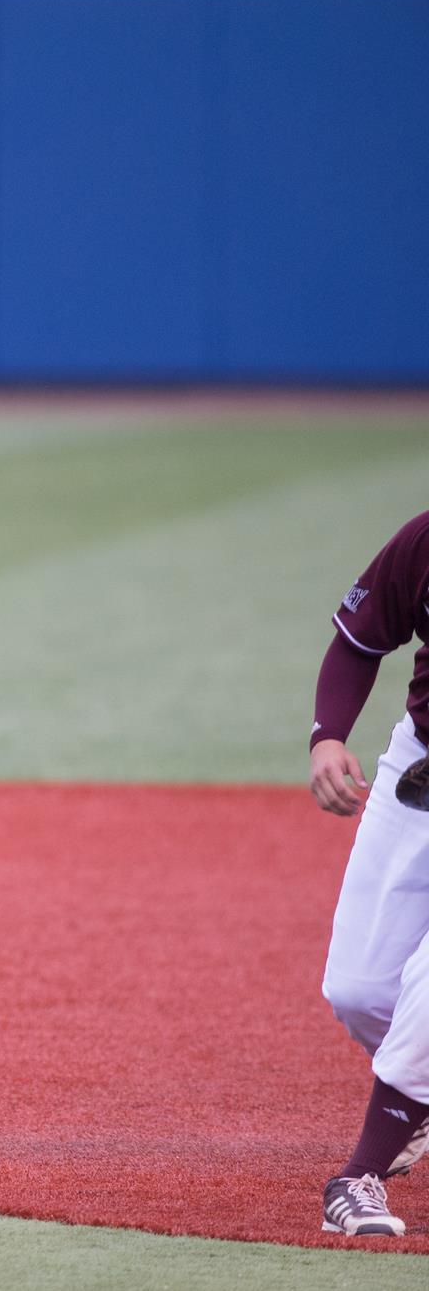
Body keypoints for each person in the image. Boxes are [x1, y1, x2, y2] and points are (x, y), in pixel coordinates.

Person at [309, 508, 429, 1235]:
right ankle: (417, 1099)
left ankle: (359, 1177)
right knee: (358, 990)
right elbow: (358, 639)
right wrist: (327, 736)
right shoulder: (424, 540)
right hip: (420, 763)